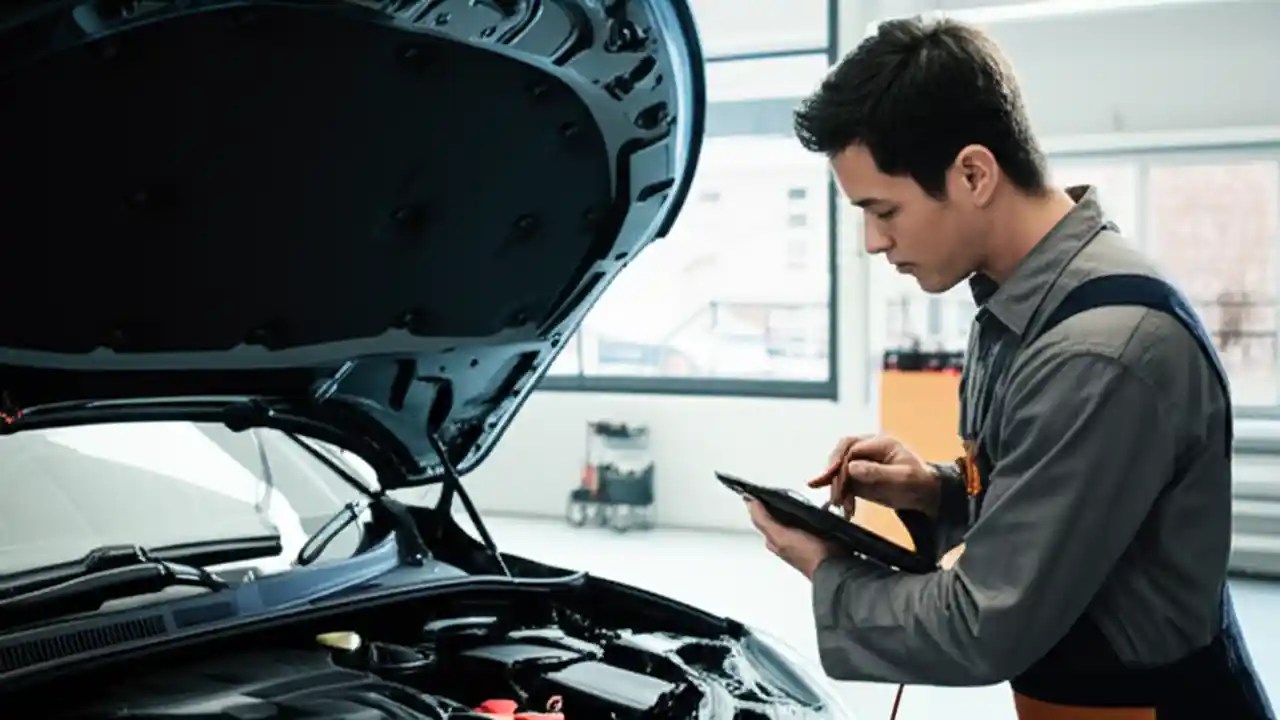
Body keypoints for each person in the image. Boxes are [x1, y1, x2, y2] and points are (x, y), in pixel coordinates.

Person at [742, 15, 1276, 719]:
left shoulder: (1099, 352)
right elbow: (1061, 515)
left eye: (883, 210)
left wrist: (826, 567)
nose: (874, 242)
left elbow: (982, 623)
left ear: (972, 173)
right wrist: (936, 494)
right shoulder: (1020, 306)